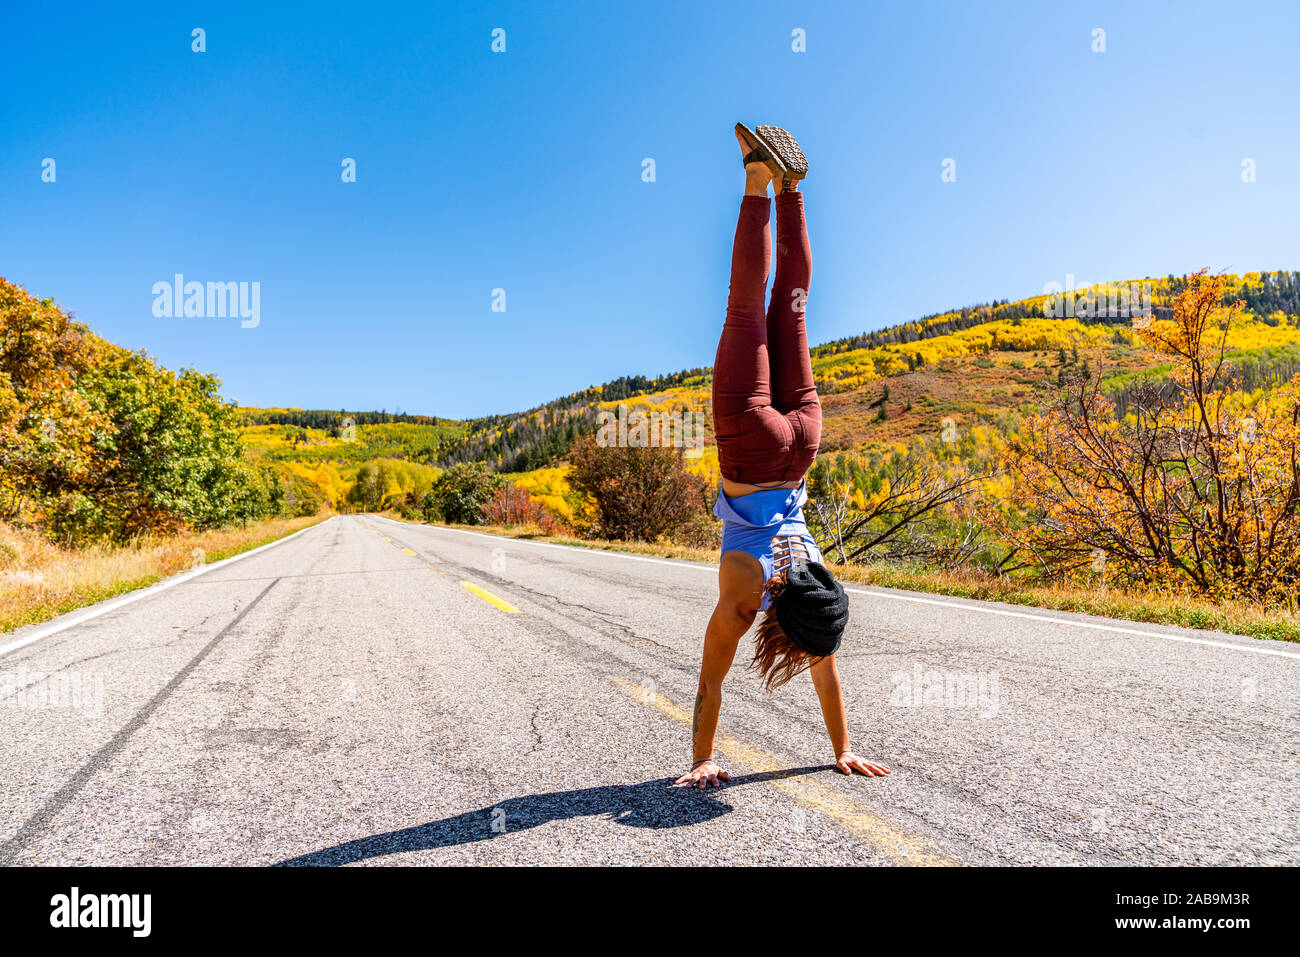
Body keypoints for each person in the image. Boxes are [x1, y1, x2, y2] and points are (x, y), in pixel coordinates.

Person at [674, 124, 891, 790]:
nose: (815, 657)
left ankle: (792, 189)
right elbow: (710, 680)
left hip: (802, 441)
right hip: (749, 441)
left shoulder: (819, 586)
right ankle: (755, 177)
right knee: (746, 308)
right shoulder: (749, 596)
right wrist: (701, 757)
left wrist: (843, 746)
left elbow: (826, 660)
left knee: (791, 311)